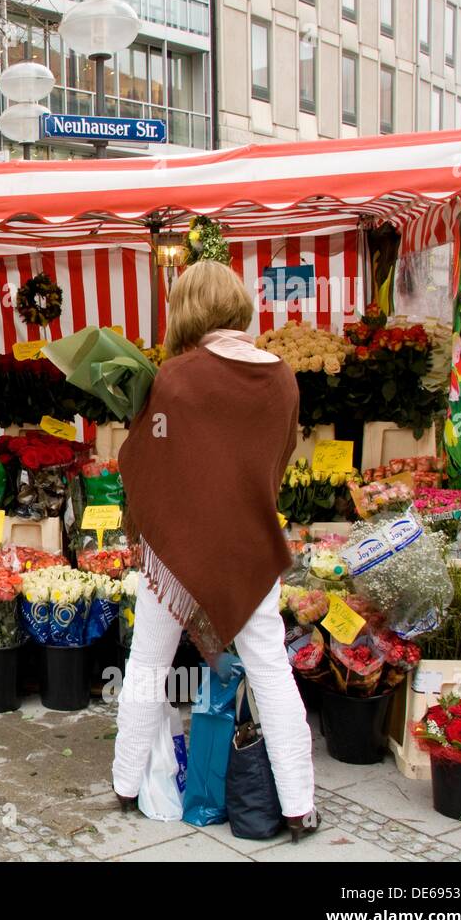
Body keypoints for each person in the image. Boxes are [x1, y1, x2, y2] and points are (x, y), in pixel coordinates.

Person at [112, 260, 318, 842]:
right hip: (252, 549)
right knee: (272, 670)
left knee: (148, 667)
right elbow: (278, 457)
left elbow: (143, 461)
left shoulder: (176, 377)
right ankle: (300, 805)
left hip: (177, 557)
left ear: (185, 309)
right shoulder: (283, 377)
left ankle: (126, 783)